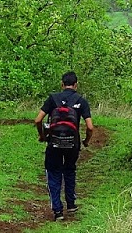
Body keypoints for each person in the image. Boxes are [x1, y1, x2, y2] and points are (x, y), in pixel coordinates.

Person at [33, 71, 93, 220]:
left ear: (62, 84)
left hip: (54, 143)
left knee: (53, 172)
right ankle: (71, 204)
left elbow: (37, 120)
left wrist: (42, 135)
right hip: (73, 144)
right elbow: (90, 127)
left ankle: (58, 210)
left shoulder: (53, 99)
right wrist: (85, 141)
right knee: (70, 170)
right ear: (76, 85)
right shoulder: (81, 100)